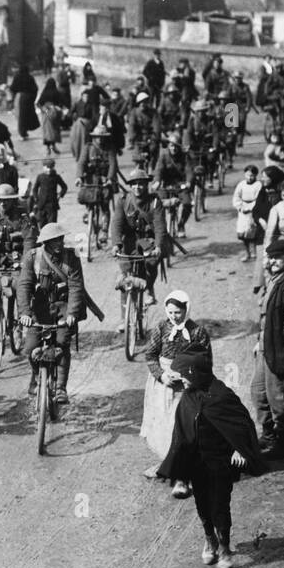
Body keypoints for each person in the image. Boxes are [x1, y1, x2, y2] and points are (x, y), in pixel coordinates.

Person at [155, 353, 264, 568]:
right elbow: (181, 432)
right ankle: (209, 538)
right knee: (203, 504)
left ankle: (224, 547)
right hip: (197, 463)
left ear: (195, 373)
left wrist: (239, 448)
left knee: (220, 505)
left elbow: (241, 422)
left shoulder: (222, 395)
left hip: (219, 463)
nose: (182, 381)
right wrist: (179, 468)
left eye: (184, 375)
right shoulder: (188, 397)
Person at [141, 291, 213, 497]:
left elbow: (205, 361)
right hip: (163, 386)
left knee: (183, 427)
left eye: (178, 312)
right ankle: (167, 462)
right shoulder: (161, 328)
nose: (174, 316)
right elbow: (150, 355)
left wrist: (192, 378)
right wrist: (161, 375)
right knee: (163, 425)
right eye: (170, 312)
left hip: (186, 387)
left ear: (186, 310)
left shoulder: (198, 332)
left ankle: (183, 478)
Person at [18, 222, 85, 405]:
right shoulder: (33, 257)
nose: (59, 243)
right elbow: (23, 286)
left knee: (62, 343)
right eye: (54, 240)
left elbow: (76, 286)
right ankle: (35, 376)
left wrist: (72, 313)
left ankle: (61, 387)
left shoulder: (71, 256)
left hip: (64, 307)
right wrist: (25, 313)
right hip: (40, 309)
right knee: (31, 347)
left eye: (60, 239)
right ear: (45, 242)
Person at [251, 238, 284, 460]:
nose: (273, 261)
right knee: (259, 393)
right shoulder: (275, 279)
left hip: (277, 350)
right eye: (270, 257)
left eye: (278, 258)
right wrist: (261, 339)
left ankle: (283, 446)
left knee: (279, 399)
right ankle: (268, 436)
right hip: (265, 347)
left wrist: (282, 341)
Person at [109, 167, 169, 322]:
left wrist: (158, 246)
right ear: (130, 186)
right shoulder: (123, 200)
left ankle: (149, 287)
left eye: (141, 183)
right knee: (125, 278)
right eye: (134, 184)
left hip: (148, 240)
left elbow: (160, 225)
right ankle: (124, 320)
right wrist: (116, 244)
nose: (137, 187)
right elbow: (116, 224)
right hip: (130, 241)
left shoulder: (155, 201)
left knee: (151, 265)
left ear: (147, 184)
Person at [77, 123, 117, 250]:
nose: (100, 139)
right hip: (91, 180)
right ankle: (88, 215)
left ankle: (104, 230)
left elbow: (112, 165)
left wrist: (110, 178)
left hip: (105, 180)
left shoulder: (110, 149)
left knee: (105, 205)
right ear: (94, 137)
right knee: (88, 200)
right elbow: (81, 163)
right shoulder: (88, 148)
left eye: (102, 137)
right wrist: (79, 177)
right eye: (97, 137)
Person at [232, 164, 264, 262]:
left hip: (253, 211)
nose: (249, 178)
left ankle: (254, 252)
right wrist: (240, 207)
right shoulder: (241, 184)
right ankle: (247, 253)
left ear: (256, 175)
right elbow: (236, 197)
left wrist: (250, 208)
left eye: (252, 175)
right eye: (247, 175)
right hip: (242, 211)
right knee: (242, 234)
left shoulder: (258, 185)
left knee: (252, 232)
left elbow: (259, 199)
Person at [29, 157, 68, 229]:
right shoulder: (40, 177)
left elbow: (64, 187)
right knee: (42, 224)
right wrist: (36, 199)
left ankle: (52, 240)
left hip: (52, 205)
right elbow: (35, 189)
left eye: (51, 167)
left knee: (52, 226)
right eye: (47, 167)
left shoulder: (56, 177)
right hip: (41, 205)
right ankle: (44, 240)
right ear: (43, 167)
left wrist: (60, 195)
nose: (49, 169)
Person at [10, 64, 40, 139]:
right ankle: (24, 131)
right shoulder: (30, 77)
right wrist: (33, 98)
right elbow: (35, 89)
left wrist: (13, 98)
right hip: (28, 98)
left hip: (19, 97)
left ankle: (22, 132)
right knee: (26, 115)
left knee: (20, 116)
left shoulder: (17, 77)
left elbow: (12, 88)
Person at [36, 75, 64, 155]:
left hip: (46, 115)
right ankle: (54, 146)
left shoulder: (44, 93)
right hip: (55, 115)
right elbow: (61, 104)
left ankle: (48, 148)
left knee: (47, 132)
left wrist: (44, 109)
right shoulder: (57, 92)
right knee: (54, 131)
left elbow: (38, 103)